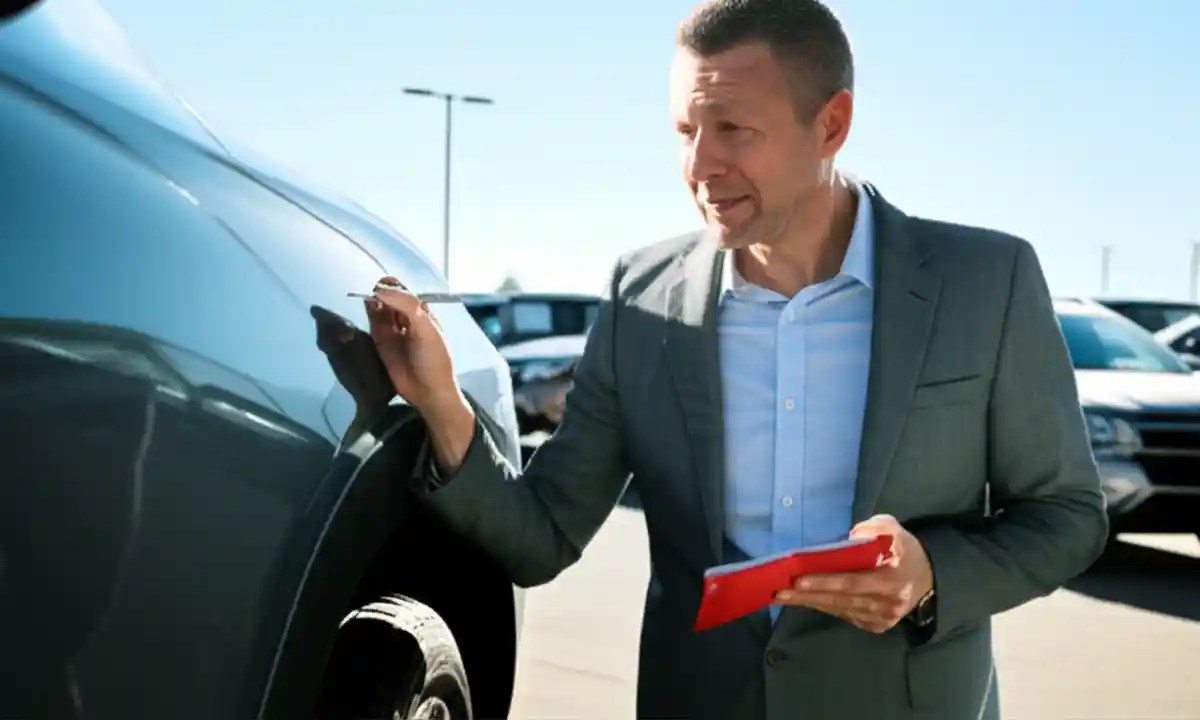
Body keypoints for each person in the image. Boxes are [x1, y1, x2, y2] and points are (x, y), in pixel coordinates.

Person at [367, 0, 1109, 717]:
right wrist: (442, 406)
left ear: (832, 125)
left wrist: (933, 575)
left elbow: (1067, 516)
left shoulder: (985, 281)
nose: (700, 165)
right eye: (685, 129)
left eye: (733, 129)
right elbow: (544, 534)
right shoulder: (642, 298)